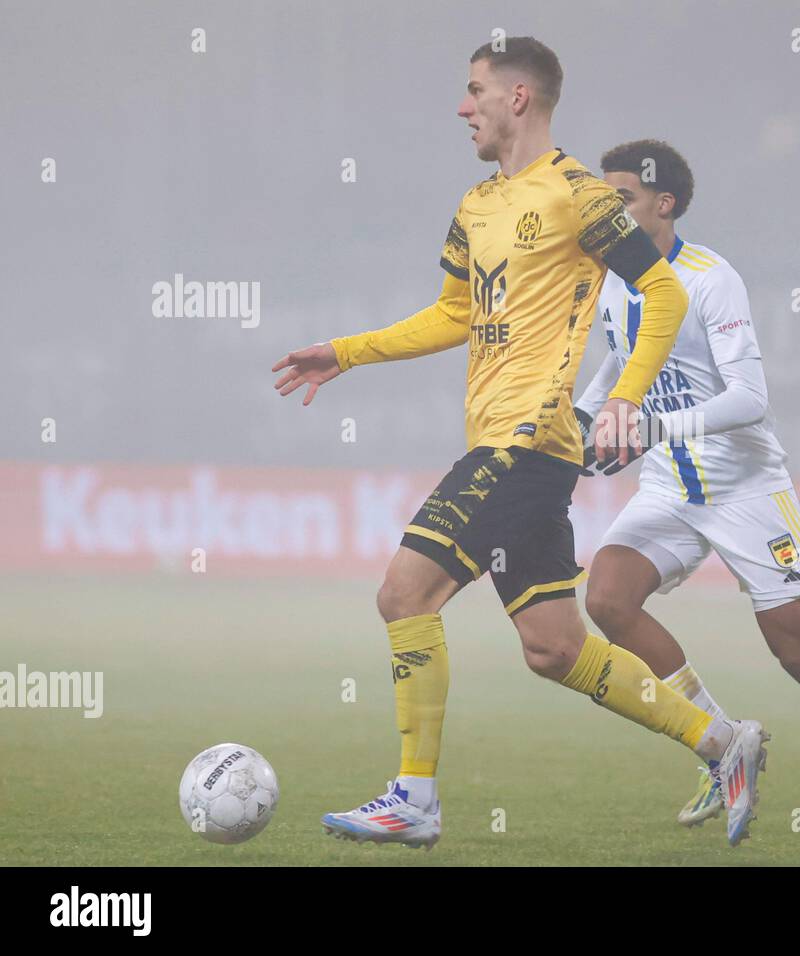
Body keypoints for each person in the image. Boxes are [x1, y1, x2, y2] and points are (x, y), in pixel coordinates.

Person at [271, 41, 766, 850]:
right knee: (553, 647)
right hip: (507, 447)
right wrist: (347, 350)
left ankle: (414, 797)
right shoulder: (476, 205)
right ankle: (722, 742)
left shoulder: (577, 195)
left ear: (520, 97)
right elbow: (452, 314)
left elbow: (663, 290)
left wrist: (626, 400)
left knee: (404, 595)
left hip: (527, 442)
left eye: (474, 91)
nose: (463, 107)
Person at [575, 139, 800, 848]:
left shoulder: (711, 278)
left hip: (743, 488)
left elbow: (751, 399)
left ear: (663, 204)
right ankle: (721, 743)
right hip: (671, 483)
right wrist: (584, 425)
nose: (606, 212)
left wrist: (650, 426)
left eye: (621, 199)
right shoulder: (614, 278)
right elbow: (618, 359)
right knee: (608, 598)